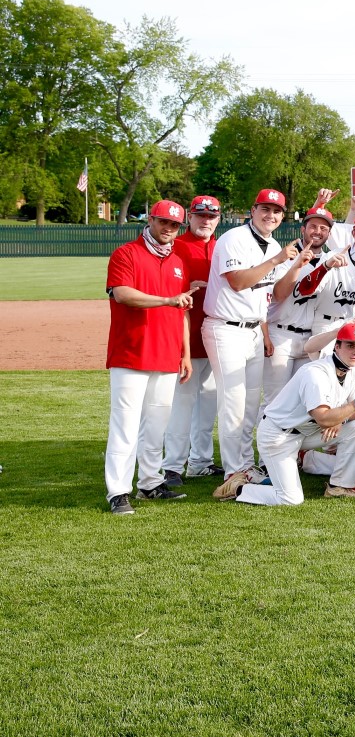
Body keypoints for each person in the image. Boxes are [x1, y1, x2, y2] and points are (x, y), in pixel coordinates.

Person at [220, 321, 355, 505]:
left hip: (305, 433)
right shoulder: (316, 373)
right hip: (278, 437)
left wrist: (341, 419)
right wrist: (354, 405)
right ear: (337, 346)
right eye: (350, 345)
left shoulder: (353, 371)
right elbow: (324, 417)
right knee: (290, 499)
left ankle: (339, 486)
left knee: (354, 428)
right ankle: (240, 486)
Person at [202, 187, 297, 489]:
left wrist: (265, 332)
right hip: (225, 328)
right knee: (233, 402)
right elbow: (239, 282)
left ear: (282, 216)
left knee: (250, 405)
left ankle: (244, 464)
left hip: (254, 330)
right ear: (253, 211)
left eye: (277, 211)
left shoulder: (271, 245)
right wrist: (277, 260)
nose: (271, 215)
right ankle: (234, 470)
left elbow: (269, 296)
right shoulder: (234, 239)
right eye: (265, 209)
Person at [104, 200, 196, 514]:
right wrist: (167, 299)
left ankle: (150, 483)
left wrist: (184, 352)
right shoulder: (126, 253)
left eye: (174, 225)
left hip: (167, 353)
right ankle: (117, 491)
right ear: (151, 220)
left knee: (157, 425)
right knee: (125, 425)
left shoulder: (178, 259)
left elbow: (182, 308)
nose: (168, 229)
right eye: (163, 223)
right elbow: (122, 294)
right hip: (131, 352)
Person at [161, 194, 222, 487]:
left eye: (211, 216)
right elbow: (163, 286)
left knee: (208, 404)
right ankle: (172, 465)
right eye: (200, 215)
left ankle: (200, 462)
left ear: (218, 219)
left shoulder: (223, 246)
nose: (205, 220)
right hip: (185, 335)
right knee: (182, 404)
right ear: (190, 217)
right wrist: (186, 287)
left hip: (217, 336)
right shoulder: (177, 246)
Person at [259, 206, 334, 418]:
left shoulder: (330, 259)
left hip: (310, 338)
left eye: (323, 228)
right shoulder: (287, 255)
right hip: (281, 334)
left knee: (302, 403)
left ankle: (294, 451)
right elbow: (279, 294)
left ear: (329, 233)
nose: (317, 231)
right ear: (303, 229)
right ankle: (267, 451)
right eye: (312, 226)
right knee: (275, 401)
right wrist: (298, 265)